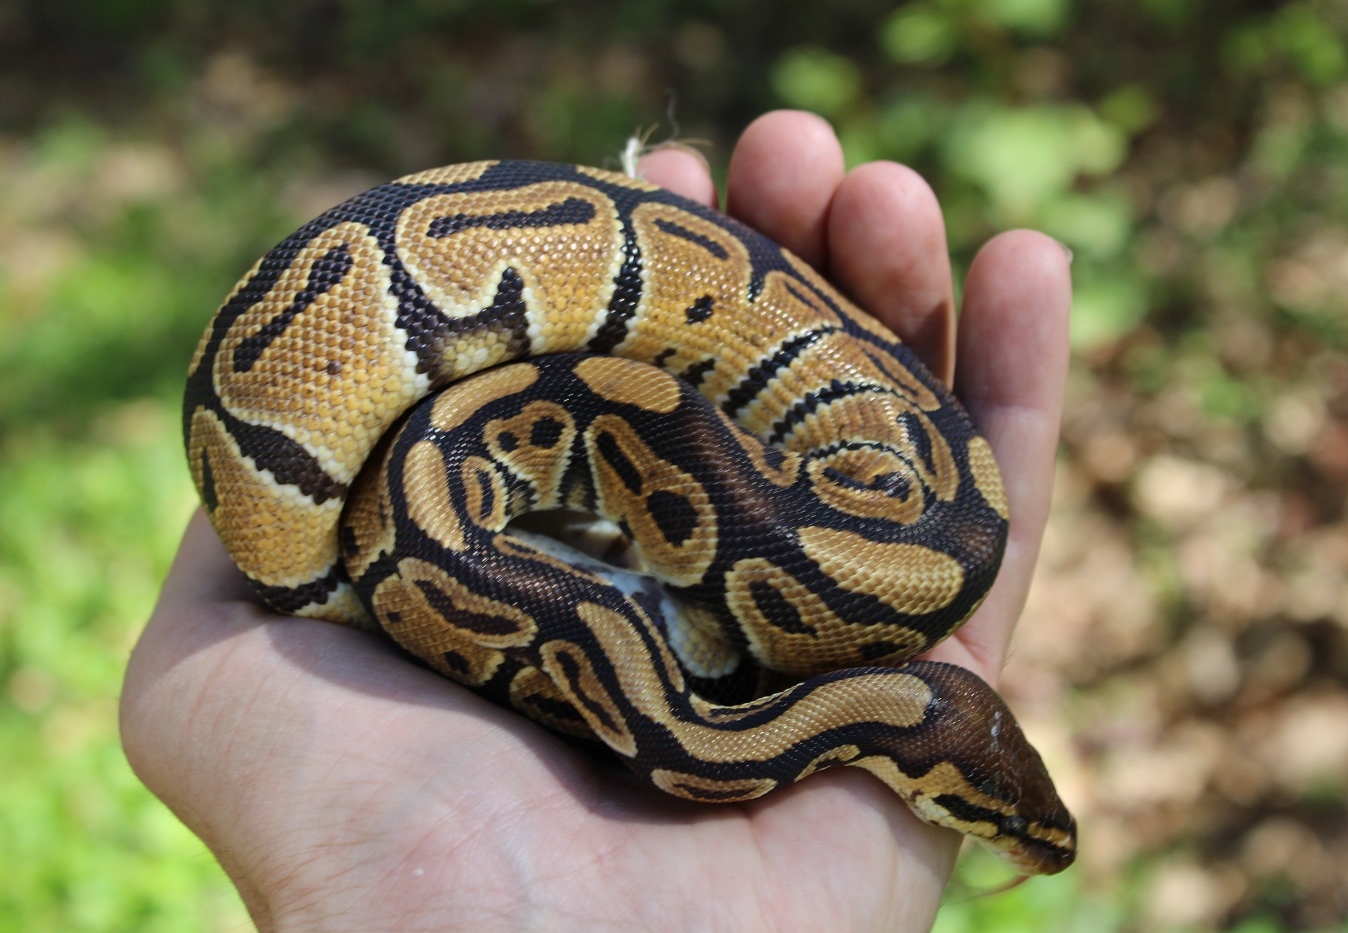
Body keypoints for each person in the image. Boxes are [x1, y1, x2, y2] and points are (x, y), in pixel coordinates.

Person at [121, 109, 1072, 933]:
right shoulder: (806, 664)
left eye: (1012, 823)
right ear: (923, 784)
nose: (1020, 840)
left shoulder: (803, 662)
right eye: (999, 825)